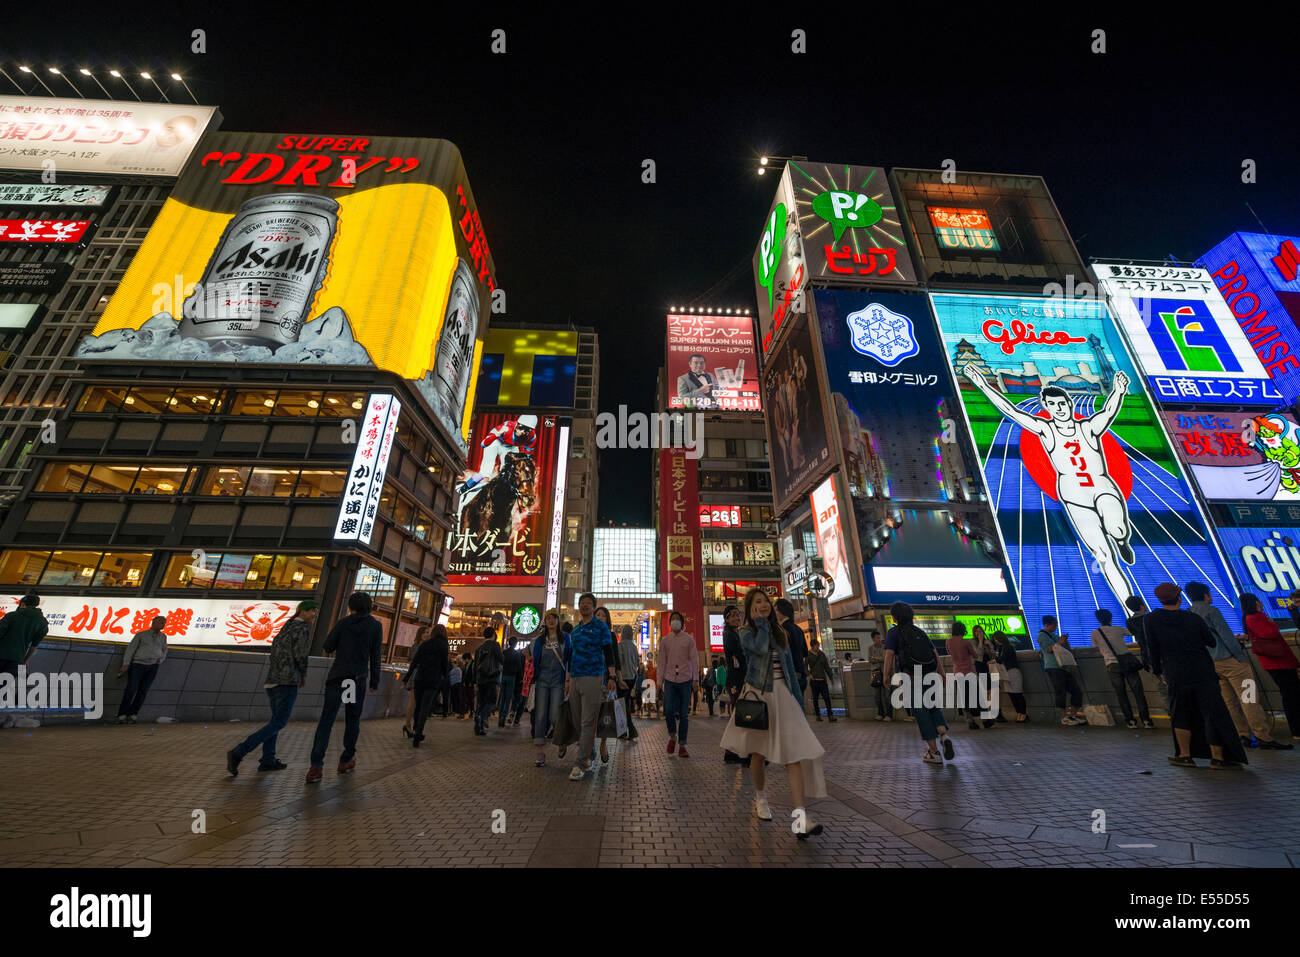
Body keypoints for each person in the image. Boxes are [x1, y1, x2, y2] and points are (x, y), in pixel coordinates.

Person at [966, 367, 1137, 606]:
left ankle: (1122, 540)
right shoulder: (1046, 430)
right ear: (1046, 407)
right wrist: (983, 385)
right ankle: (1130, 609)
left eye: (1062, 403)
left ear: (1069, 403)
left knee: (1116, 527)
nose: (1059, 408)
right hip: (1073, 494)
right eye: (1052, 404)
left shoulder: (1087, 427)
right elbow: (1012, 412)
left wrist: (1119, 390)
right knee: (1104, 556)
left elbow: (1108, 411)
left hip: (1101, 486)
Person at [719, 587, 827, 838]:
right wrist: (761, 624)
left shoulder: (782, 633)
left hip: (784, 695)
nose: (764, 604)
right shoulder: (746, 632)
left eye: (765, 601)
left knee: (794, 756)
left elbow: (789, 668)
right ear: (750, 608)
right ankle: (760, 798)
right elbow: (756, 649)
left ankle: (800, 818)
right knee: (758, 755)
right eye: (757, 602)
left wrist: (798, 703)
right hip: (760, 696)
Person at [1145, 583, 1247, 769]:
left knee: (1180, 713)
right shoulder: (1193, 618)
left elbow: (1152, 647)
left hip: (1175, 672)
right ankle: (1218, 757)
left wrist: (1158, 671)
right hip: (1202, 671)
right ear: (1179, 598)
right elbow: (1209, 641)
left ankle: (1185, 755)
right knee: (1212, 712)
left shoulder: (1152, 620)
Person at [1187, 582, 1284, 748]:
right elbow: (1225, 636)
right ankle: (1263, 736)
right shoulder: (1212, 611)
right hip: (1231, 663)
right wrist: (1239, 657)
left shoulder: (1189, 614)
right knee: (1249, 698)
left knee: (1229, 702)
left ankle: (1243, 735)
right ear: (1205, 594)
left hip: (1213, 665)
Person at [226, 600, 316, 775]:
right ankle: (239, 752)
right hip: (287, 680)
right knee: (280, 721)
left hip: (273, 680)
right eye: (312, 610)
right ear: (302, 612)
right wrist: (303, 673)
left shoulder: (285, 627)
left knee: (275, 721)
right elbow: (300, 653)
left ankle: (268, 759)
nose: (314, 614)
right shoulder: (301, 628)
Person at [306, 592, 383, 783]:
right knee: (352, 719)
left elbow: (328, 646)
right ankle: (346, 758)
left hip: (337, 677)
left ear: (351, 606)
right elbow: (376, 655)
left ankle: (316, 766)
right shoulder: (375, 626)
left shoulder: (343, 623)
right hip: (354, 680)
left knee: (326, 720)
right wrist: (374, 680)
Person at [886, 602, 955, 765]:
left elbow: (889, 655)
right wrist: (943, 674)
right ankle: (944, 736)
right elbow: (935, 653)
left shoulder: (894, 632)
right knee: (933, 707)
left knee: (921, 712)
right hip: (930, 674)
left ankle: (933, 752)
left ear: (895, 617)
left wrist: (885, 675)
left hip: (910, 676)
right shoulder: (920, 632)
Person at [565, 593, 617, 779]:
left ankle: (579, 764)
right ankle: (590, 753)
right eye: (582, 603)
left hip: (593, 677)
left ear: (594, 607)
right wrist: (568, 679)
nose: (584, 606)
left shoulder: (601, 627)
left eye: (588, 603)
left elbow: (608, 651)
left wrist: (611, 676)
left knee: (587, 721)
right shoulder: (576, 631)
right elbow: (571, 655)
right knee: (578, 720)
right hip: (576, 677)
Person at [1243, 593, 1300, 741]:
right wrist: (1269, 621)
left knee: (1290, 693)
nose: (1261, 604)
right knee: (1291, 694)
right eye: (1259, 602)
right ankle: (1296, 728)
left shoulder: (1250, 618)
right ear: (1255, 603)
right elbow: (1270, 632)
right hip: (1279, 661)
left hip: (1274, 662)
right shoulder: (1256, 618)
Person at [1091, 608, 1154, 730]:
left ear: (1098, 620)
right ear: (1110, 618)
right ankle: (1146, 721)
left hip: (1111, 665)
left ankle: (1130, 721)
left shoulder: (1095, 633)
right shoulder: (1118, 629)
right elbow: (1133, 633)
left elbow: (1096, 646)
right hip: (1127, 664)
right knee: (1138, 693)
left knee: (1121, 694)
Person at [659, 611, 699, 757]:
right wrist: (659, 681)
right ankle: (672, 736)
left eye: (678, 619)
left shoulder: (689, 640)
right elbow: (662, 661)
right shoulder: (665, 640)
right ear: (670, 623)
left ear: (682, 623)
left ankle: (682, 745)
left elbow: (694, 660)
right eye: (673, 619)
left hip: (686, 679)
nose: (675, 621)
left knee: (684, 714)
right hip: (669, 679)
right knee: (668, 710)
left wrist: (696, 679)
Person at [532, 610, 568, 767]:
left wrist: (568, 679)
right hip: (542, 680)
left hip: (558, 680)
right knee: (540, 715)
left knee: (555, 714)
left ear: (558, 621)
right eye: (548, 619)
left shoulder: (566, 638)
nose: (551, 621)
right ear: (545, 622)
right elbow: (535, 660)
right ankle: (540, 752)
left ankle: (562, 742)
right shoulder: (540, 640)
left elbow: (569, 658)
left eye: (553, 618)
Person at [117, 615, 168, 724]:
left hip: (153, 666)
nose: (162, 625)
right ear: (153, 622)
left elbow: (165, 650)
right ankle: (122, 714)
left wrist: (161, 659)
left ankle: (133, 714)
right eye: (160, 622)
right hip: (138, 665)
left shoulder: (163, 637)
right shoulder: (141, 635)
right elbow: (131, 649)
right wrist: (125, 663)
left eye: (163, 623)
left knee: (143, 691)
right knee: (131, 689)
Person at [1038, 616, 1085, 726]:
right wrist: (1059, 641)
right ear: (1047, 625)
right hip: (1053, 667)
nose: (1056, 627)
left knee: (1076, 691)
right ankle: (1064, 717)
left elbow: (1064, 648)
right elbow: (1049, 650)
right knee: (1060, 692)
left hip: (1063, 666)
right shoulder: (1042, 636)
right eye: (1054, 625)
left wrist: (1064, 641)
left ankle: (1072, 715)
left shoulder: (1053, 635)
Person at [410, 624, 451, 747]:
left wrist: (407, 677)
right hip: (433, 680)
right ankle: (418, 734)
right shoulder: (443, 647)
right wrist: (445, 676)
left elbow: (415, 661)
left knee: (418, 706)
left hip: (420, 678)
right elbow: (444, 665)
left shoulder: (425, 645)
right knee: (425, 707)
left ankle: (415, 727)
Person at [0, 593, 47, 682]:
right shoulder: (43, 623)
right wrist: (25, 660)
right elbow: (34, 645)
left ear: (22, 604)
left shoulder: (12, 616)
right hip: (16, 660)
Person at [721, 604, 746, 762]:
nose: (737, 618)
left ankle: (731, 752)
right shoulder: (730, 634)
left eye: (738, 615)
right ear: (727, 619)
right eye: (733, 615)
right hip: (736, 678)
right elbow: (740, 655)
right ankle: (736, 752)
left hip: (737, 676)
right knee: (740, 714)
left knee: (738, 715)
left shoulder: (734, 632)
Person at [946, 621, 981, 730]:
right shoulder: (965, 642)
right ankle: (984, 720)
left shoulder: (948, 641)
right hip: (968, 672)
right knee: (976, 697)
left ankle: (969, 720)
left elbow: (949, 653)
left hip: (957, 673)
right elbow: (975, 655)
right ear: (963, 630)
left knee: (964, 698)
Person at [773, 598, 809, 705]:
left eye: (775, 610)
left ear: (781, 612)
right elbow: (805, 652)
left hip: (789, 678)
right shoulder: (798, 629)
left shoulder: (782, 630)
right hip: (801, 675)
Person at [990, 630, 1027, 721]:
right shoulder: (1002, 648)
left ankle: (1023, 714)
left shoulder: (1008, 647)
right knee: (1012, 695)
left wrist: (994, 660)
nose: (996, 641)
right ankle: (1019, 713)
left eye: (996, 639)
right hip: (1006, 673)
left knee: (1017, 694)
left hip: (1013, 672)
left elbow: (1002, 658)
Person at [473, 627, 503, 736]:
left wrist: (475, 682)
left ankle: (479, 726)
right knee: (491, 702)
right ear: (493, 635)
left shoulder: (478, 648)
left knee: (481, 703)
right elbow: (502, 659)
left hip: (481, 679)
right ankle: (482, 717)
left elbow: (475, 666)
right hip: (492, 678)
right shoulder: (495, 646)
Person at [970, 625, 1002, 724]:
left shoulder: (987, 641)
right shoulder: (972, 642)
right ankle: (991, 712)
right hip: (981, 666)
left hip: (990, 666)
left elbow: (994, 655)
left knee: (994, 689)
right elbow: (977, 654)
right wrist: (980, 641)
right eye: (977, 632)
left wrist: (990, 645)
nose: (979, 633)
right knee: (986, 690)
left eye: (980, 631)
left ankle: (997, 712)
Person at [401, 627, 428, 739]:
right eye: (426, 632)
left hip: (417, 673)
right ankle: (408, 725)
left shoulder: (416, 646)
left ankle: (409, 726)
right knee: (414, 702)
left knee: (415, 702)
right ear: (420, 634)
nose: (428, 634)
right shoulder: (419, 646)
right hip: (417, 674)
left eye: (429, 632)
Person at [616, 624, 641, 742]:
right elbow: (637, 662)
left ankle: (628, 730)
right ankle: (627, 731)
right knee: (624, 704)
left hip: (623, 678)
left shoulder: (620, 645)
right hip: (632, 678)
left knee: (622, 705)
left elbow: (619, 662)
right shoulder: (634, 646)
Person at [806, 638, 836, 722]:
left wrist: (831, 677)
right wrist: (809, 674)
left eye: (818, 646)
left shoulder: (822, 654)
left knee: (827, 698)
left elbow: (826, 667)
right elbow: (805, 666)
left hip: (822, 680)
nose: (818, 647)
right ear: (812, 646)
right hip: (814, 681)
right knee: (815, 698)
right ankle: (818, 715)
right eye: (816, 646)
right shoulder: (808, 655)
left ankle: (830, 715)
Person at [498, 639, 524, 728]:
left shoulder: (504, 652)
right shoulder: (516, 654)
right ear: (516, 644)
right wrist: (520, 678)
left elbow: (500, 663)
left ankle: (500, 717)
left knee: (502, 698)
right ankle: (503, 717)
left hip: (504, 676)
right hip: (511, 677)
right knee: (508, 699)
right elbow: (519, 668)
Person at [867, 632, 892, 721]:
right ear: (873, 639)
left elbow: (885, 658)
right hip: (876, 674)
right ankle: (880, 714)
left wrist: (876, 658)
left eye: (879, 637)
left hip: (885, 672)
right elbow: (870, 659)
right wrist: (878, 659)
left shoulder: (884, 647)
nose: (879, 639)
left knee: (887, 696)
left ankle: (889, 715)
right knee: (877, 696)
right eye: (877, 637)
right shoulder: (870, 648)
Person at [460, 651, 476, 721]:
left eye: (464, 659)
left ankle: (472, 712)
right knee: (463, 698)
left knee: (470, 699)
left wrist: (473, 683)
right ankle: (462, 713)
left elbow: (474, 675)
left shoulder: (473, 664)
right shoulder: (466, 664)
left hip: (470, 684)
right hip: (465, 684)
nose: (464, 661)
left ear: (467, 658)